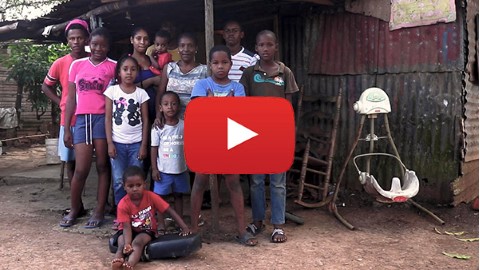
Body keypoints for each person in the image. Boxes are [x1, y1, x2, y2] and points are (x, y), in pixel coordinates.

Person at [189, 45, 257, 246]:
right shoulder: (201, 85)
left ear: (231, 64)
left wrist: (213, 106)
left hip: (230, 141)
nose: (220, 66)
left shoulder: (238, 88)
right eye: (216, 63)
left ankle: (241, 230)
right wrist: (224, 107)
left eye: (224, 62)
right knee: (200, 182)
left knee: (234, 183)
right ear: (209, 65)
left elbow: (239, 117)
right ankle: (194, 228)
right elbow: (198, 116)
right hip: (206, 141)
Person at [239, 30, 299, 243]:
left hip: (277, 134)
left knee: (277, 182)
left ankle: (278, 225)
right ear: (256, 48)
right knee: (256, 181)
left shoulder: (285, 73)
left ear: (276, 46)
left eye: (269, 45)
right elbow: (242, 104)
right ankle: (257, 221)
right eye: (261, 45)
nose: (265, 49)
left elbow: (288, 107)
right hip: (254, 134)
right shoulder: (249, 73)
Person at [60, 27, 117, 228]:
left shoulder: (113, 67)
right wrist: (67, 128)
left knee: (103, 165)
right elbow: (71, 99)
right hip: (82, 120)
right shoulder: (77, 65)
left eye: (102, 45)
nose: (98, 48)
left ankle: (99, 210)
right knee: (81, 168)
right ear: (88, 45)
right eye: (94, 44)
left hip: (103, 119)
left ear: (108, 47)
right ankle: (75, 208)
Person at [111, 166, 191, 270]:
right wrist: (127, 244)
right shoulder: (122, 204)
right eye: (130, 186)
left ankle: (129, 264)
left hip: (146, 230)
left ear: (144, 184)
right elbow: (126, 227)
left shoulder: (151, 196)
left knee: (137, 244)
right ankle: (117, 261)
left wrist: (184, 227)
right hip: (127, 230)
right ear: (124, 187)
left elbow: (169, 210)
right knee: (121, 245)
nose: (135, 189)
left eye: (138, 185)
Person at [41, 19, 89, 190]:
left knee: (95, 162)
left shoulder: (92, 60)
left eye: (80, 38)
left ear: (87, 39)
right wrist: (60, 101)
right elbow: (46, 86)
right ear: (67, 41)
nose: (76, 42)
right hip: (69, 119)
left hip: (91, 119)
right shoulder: (60, 63)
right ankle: (76, 199)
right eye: (72, 39)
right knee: (70, 160)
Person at [104, 55, 150, 210]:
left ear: (138, 72)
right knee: (118, 180)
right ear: (119, 72)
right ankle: (121, 212)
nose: (129, 73)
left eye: (133, 69)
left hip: (136, 144)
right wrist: (109, 143)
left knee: (137, 181)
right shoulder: (112, 91)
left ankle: (137, 212)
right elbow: (108, 119)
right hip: (117, 143)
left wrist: (144, 145)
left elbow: (145, 120)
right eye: (125, 69)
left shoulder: (141, 94)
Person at [151, 91, 189, 234]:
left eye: (173, 104)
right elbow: (154, 148)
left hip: (180, 169)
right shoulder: (158, 127)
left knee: (179, 195)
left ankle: (179, 222)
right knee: (161, 197)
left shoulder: (184, 125)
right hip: (163, 170)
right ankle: (161, 224)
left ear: (179, 106)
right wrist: (154, 169)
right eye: (166, 104)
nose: (170, 107)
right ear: (160, 108)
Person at [156, 32, 208, 120]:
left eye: (190, 46)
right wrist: (158, 114)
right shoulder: (169, 68)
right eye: (182, 45)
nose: (186, 49)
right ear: (178, 48)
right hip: (172, 123)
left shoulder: (205, 70)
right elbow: (160, 93)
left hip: (196, 120)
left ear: (196, 48)